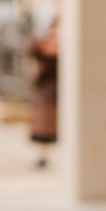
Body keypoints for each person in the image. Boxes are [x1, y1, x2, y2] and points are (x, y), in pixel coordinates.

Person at [28, 16, 58, 167]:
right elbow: (32, 52)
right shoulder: (44, 45)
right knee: (44, 124)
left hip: (57, 91)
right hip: (47, 91)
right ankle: (43, 156)